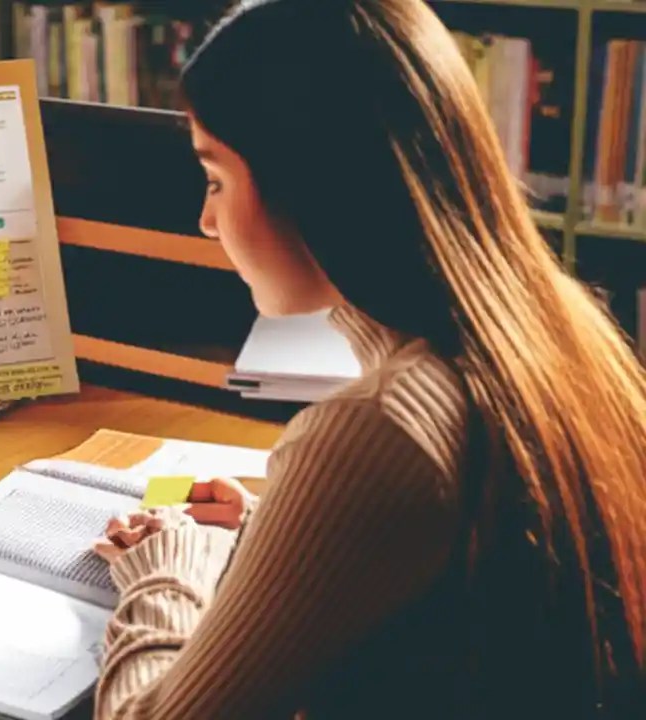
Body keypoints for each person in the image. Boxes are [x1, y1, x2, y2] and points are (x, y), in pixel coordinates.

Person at [90, 1, 646, 718]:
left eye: (217, 179)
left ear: (308, 181)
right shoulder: (558, 326)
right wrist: (279, 533)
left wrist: (166, 574)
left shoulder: (380, 425)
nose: (205, 220)